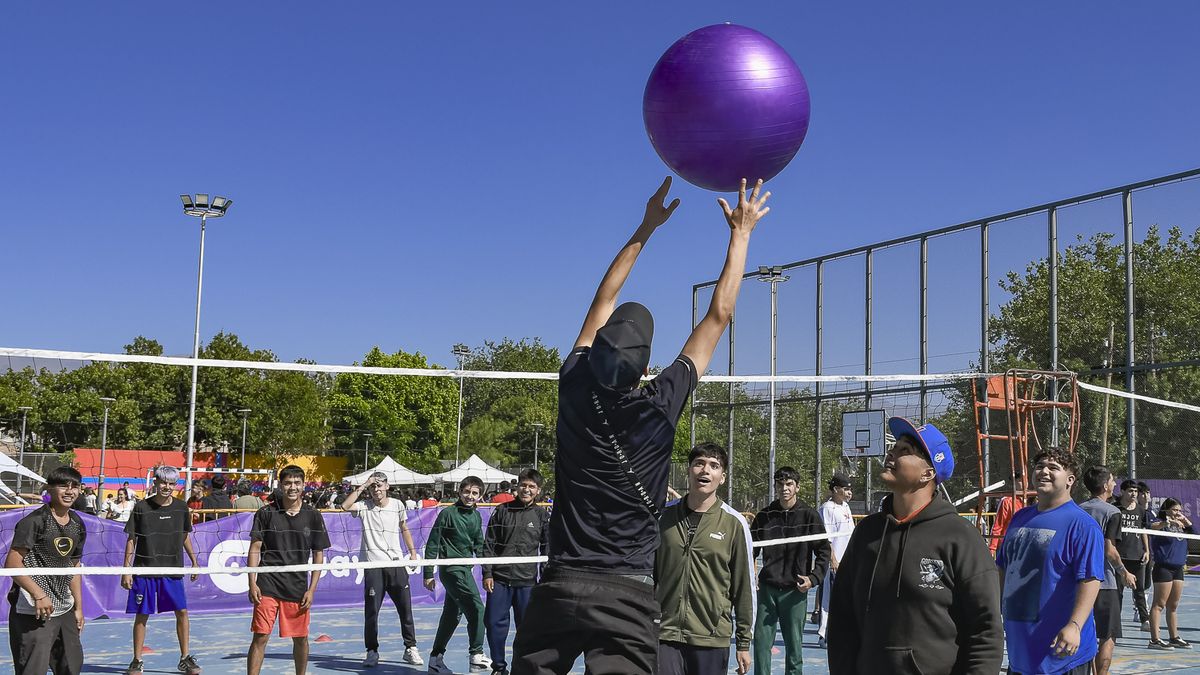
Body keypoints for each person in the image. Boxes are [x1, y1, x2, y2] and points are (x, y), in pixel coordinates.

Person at [512, 176, 770, 675]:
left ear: (596, 349)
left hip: (562, 582)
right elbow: (720, 314)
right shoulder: (659, 404)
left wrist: (646, 226)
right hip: (629, 593)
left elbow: (601, 298)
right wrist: (741, 235)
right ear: (645, 367)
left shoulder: (573, 384)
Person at [828, 419, 1002, 675]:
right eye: (893, 447)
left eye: (905, 450)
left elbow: (985, 632)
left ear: (928, 473)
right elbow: (843, 618)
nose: (892, 453)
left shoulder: (960, 537)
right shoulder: (867, 532)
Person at [996, 448, 1104, 675]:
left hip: (1061, 658)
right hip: (1021, 655)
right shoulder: (1019, 518)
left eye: (1053, 468)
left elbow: (1091, 579)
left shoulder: (1082, 525)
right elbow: (1004, 568)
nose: (1044, 471)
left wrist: (1075, 626)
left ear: (1070, 480)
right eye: (1039, 466)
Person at [656, 443, 754, 675]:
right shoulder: (663, 518)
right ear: (689, 470)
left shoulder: (734, 523)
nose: (705, 470)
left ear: (722, 477)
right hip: (664, 635)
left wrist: (743, 643)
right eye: (699, 463)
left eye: (714, 465)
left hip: (711, 638)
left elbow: (744, 587)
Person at [247, 465, 331, 675]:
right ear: (280, 485)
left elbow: (318, 555)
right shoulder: (266, 513)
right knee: (261, 636)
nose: (292, 487)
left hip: (297, 586)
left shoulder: (312, 515)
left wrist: (312, 589)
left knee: (301, 638)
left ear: (303, 485)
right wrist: (252, 582)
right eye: (287, 483)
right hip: (267, 584)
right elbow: (255, 548)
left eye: (297, 483)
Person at [5, 466, 87, 675]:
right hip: (33, 608)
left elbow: (74, 566)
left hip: (64, 607)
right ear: (49, 489)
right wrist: (38, 594)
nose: (69, 491)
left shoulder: (77, 523)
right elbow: (13, 564)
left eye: (74, 486)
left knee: (71, 666)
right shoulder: (34, 522)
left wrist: (78, 606)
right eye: (63, 485)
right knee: (32, 670)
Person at [121, 465, 201, 675]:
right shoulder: (141, 507)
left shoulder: (182, 507)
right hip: (144, 570)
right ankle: (137, 660)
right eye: (163, 482)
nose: (167, 486)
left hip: (172, 569)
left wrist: (194, 562)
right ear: (155, 482)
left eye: (171, 483)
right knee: (142, 614)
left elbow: (185, 536)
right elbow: (131, 539)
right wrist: (126, 570)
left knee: (182, 612)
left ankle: (185, 658)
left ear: (176, 485)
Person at [338, 472, 422, 668]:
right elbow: (344, 506)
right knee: (372, 612)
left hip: (395, 565)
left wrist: (412, 552)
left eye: (379, 485)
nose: (376, 489)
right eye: (373, 487)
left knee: (405, 609)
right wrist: (363, 484)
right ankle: (372, 651)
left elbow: (404, 528)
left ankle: (410, 648)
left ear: (387, 486)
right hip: (373, 566)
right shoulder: (364, 506)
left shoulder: (397, 505)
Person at [752, 466, 830, 675]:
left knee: (794, 650)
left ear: (797, 487)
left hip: (795, 592)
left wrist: (813, 579)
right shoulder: (765, 516)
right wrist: (751, 575)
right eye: (780, 484)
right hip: (768, 590)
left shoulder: (809, 516)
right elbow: (750, 548)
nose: (784, 488)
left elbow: (823, 551)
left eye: (788, 484)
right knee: (760, 644)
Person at [483, 469, 551, 675]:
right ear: (517, 486)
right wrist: (487, 573)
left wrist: (545, 578)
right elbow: (489, 544)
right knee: (494, 624)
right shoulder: (502, 510)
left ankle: (522, 668)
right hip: (500, 580)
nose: (526, 490)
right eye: (523, 485)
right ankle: (499, 667)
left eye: (531, 486)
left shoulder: (542, 515)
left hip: (527, 582)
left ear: (538, 490)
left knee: (528, 629)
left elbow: (547, 547)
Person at [424, 475, 488, 673]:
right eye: (467, 491)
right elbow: (433, 542)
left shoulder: (476, 516)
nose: (470, 496)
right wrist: (428, 573)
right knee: (478, 609)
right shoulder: (447, 513)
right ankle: (476, 654)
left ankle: (435, 658)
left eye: (475, 493)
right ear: (460, 492)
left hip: (465, 568)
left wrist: (488, 572)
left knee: (452, 616)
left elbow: (479, 545)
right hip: (452, 569)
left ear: (480, 496)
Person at [1078, 465, 1136, 675]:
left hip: (1077, 581)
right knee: (1107, 635)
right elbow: (1109, 549)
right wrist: (1124, 572)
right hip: (1104, 582)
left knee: (1082, 632)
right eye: (1112, 480)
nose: (1114, 484)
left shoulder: (1077, 508)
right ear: (1105, 486)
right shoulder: (1112, 512)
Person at [1147, 497, 1193, 650]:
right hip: (1164, 567)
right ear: (1166, 510)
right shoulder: (1160, 523)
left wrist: (1187, 523)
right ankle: (1155, 639)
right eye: (1174, 510)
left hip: (1178, 568)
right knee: (1159, 604)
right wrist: (1168, 522)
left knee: (1173, 605)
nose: (1177, 513)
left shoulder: (1181, 525)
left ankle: (1174, 637)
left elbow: (1194, 535)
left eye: (1179, 510)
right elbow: (1151, 527)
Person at [816, 472, 854, 649]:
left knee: (844, 599)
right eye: (846, 489)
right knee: (828, 599)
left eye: (850, 489)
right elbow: (827, 539)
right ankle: (824, 634)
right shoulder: (827, 509)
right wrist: (833, 560)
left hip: (847, 563)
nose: (849, 492)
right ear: (836, 489)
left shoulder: (845, 507)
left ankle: (840, 631)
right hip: (834, 563)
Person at [1114, 478, 1151, 630]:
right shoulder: (1115, 509)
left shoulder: (1141, 511)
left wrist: (1147, 550)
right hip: (1119, 557)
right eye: (1130, 491)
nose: (1133, 494)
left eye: (1135, 491)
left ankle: (1145, 620)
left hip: (1137, 556)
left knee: (1140, 590)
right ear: (1122, 492)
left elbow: (1143, 532)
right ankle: (1115, 621)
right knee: (1117, 592)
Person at [989, 474, 1029, 556]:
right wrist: (992, 548)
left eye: (1026, 479)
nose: (1024, 482)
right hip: (1008, 545)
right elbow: (998, 525)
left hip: (1026, 545)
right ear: (1014, 483)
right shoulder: (1007, 501)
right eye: (1020, 480)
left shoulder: (1034, 499)